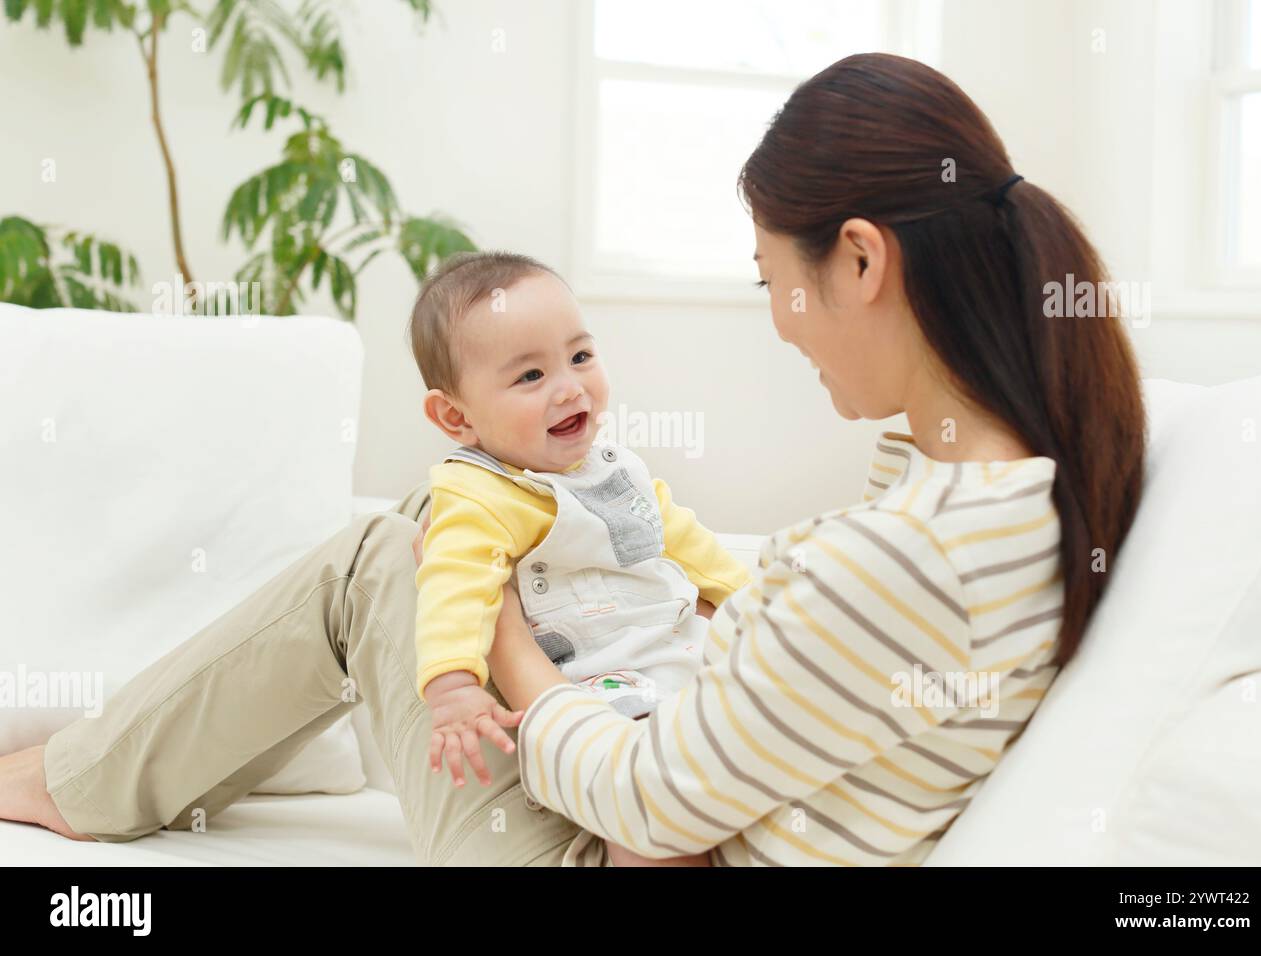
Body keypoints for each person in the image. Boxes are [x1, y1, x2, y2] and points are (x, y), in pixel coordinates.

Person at [0, 52, 1144, 866]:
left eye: (770, 282)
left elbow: (649, 804)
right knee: (447, 514)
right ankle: (114, 766)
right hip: (663, 791)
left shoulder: (911, 559)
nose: (780, 322)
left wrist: (493, 627)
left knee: (384, 552)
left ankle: (69, 778)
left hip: (613, 844)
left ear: (857, 260)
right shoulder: (1019, 478)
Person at [407, 251, 750, 866]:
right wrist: (453, 688)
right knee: (645, 795)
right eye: (530, 377)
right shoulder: (473, 494)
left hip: (678, 651)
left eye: (580, 357)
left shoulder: (617, 471)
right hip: (595, 682)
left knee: (719, 747)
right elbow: (451, 586)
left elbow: (690, 546)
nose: (570, 387)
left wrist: (752, 604)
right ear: (455, 416)